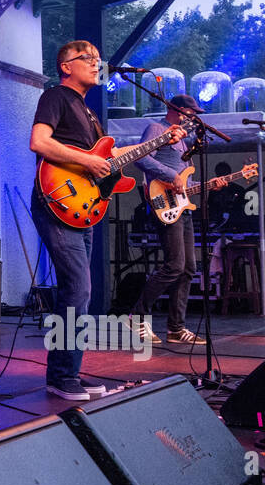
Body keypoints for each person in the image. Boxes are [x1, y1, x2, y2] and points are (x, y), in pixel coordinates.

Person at [30, 41, 182, 401]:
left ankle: (67, 373)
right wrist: (85, 163)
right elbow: (39, 141)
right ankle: (61, 376)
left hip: (84, 207)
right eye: (89, 59)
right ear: (66, 66)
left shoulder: (88, 111)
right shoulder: (56, 96)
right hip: (58, 201)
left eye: (99, 60)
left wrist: (161, 140)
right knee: (78, 289)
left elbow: (110, 157)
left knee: (79, 292)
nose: (97, 65)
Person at [131, 95, 207, 346]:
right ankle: (137, 315)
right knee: (174, 264)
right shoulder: (157, 128)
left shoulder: (183, 142)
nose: (194, 117)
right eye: (191, 112)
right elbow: (141, 158)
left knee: (188, 269)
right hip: (162, 203)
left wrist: (210, 185)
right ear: (180, 110)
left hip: (182, 208)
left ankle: (176, 328)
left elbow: (184, 183)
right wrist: (171, 174)